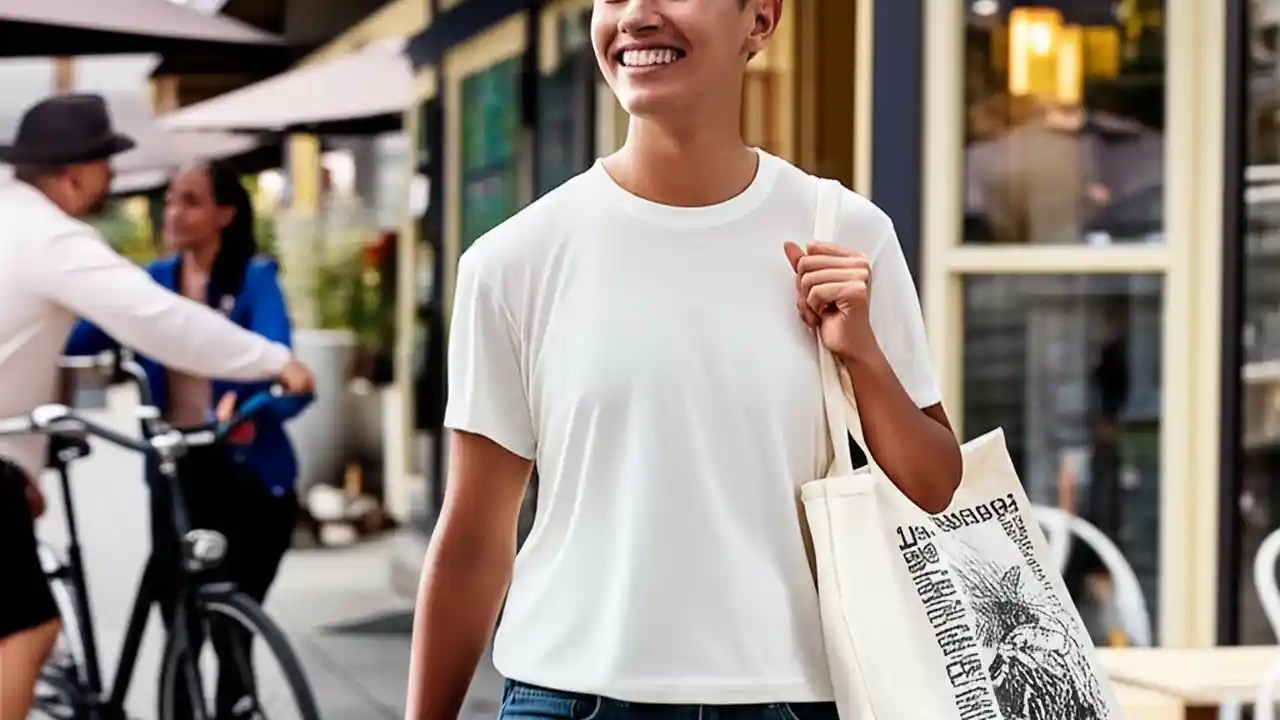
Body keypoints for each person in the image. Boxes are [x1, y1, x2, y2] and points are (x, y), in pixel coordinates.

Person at [405, 2, 963, 719]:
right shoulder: (514, 262)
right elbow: (475, 537)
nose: (636, 16)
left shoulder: (843, 235)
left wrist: (864, 358)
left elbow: (935, 485)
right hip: (566, 695)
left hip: (790, 699)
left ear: (759, 20)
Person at [0, 93, 313, 720]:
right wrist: (273, 362)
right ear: (76, 172)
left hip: (241, 467)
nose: (114, 184)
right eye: (108, 167)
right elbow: (158, 324)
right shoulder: (53, 239)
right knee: (27, 629)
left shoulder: (14, 223)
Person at [65, 159, 310, 716]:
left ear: (225, 213)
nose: (174, 212)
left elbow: (288, 376)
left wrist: (251, 407)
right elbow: (80, 339)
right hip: (178, 471)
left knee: (233, 631)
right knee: (178, 623)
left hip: (247, 474)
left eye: (191, 201)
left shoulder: (254, 278)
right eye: (171, 200)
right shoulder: (153, 282)